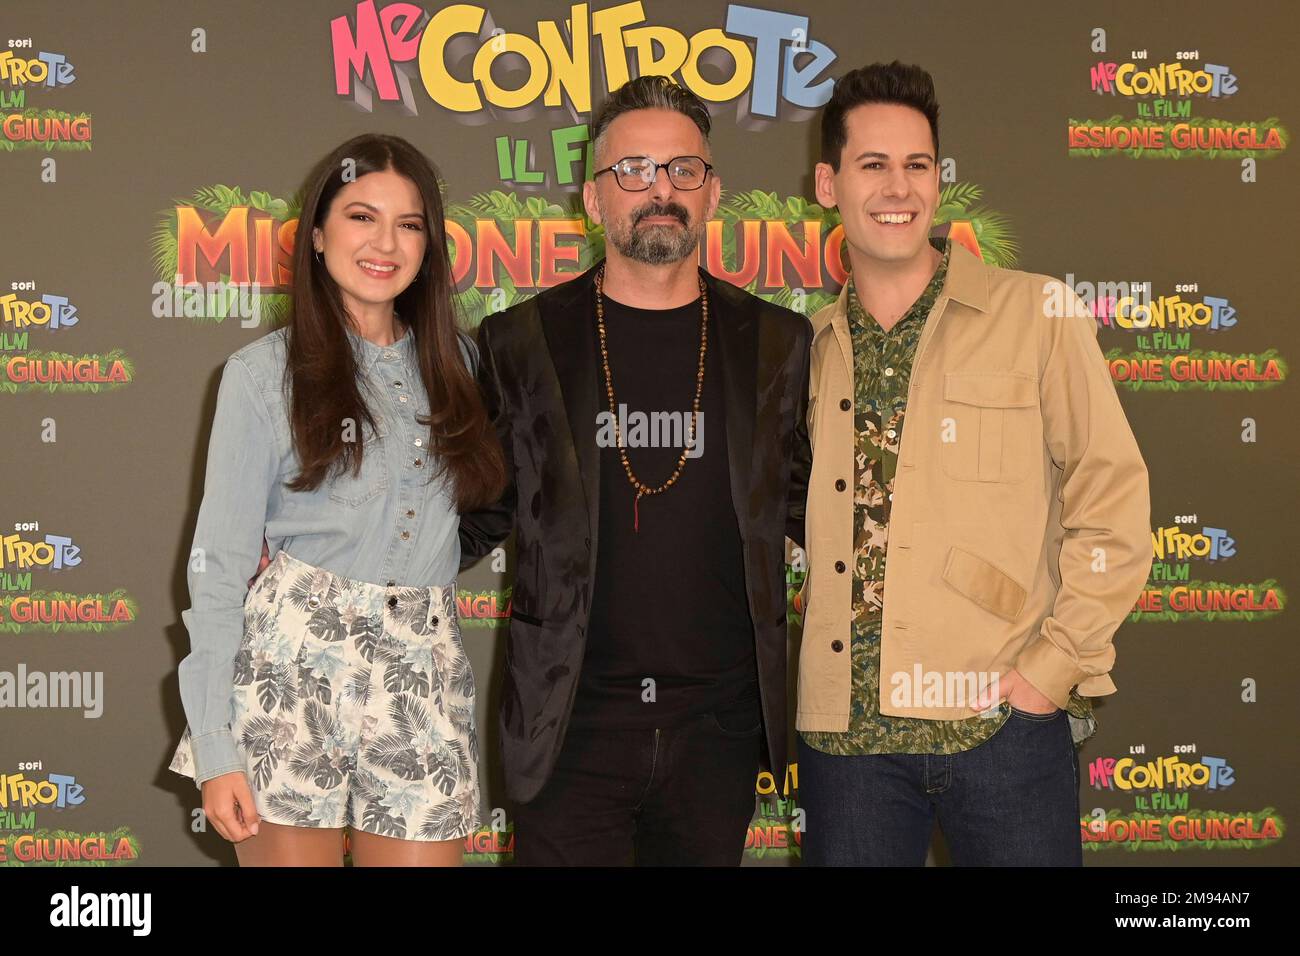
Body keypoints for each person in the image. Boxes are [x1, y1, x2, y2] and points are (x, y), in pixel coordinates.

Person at [795, 62, 1151, 865]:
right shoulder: (807, 349)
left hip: (1002, 732)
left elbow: (1113, 502)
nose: (899, 187)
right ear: (828, 182)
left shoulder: (1039, 314)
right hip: (845, 746)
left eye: (917, 165)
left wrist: (1048, 674)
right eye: (873, 164)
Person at [458, 75, 812, 865]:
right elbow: (475, 509)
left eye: (683, 170)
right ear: (593, 199)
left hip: (718, 732)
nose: (661, 191)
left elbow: (820, 506)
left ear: (713, 192)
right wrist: (326, 555)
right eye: (634, 172)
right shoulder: (519, 341)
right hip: (570, 727)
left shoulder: (781, 344)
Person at [167, 133, 505, 866]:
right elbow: (219, 568)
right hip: (290, 673)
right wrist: (217, 745)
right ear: (317, 236)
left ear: (429, 245)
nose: (385, 242)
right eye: (361, 216)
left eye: (409, 224)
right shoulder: (261, 376)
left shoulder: (470, 368)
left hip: (424, 672)